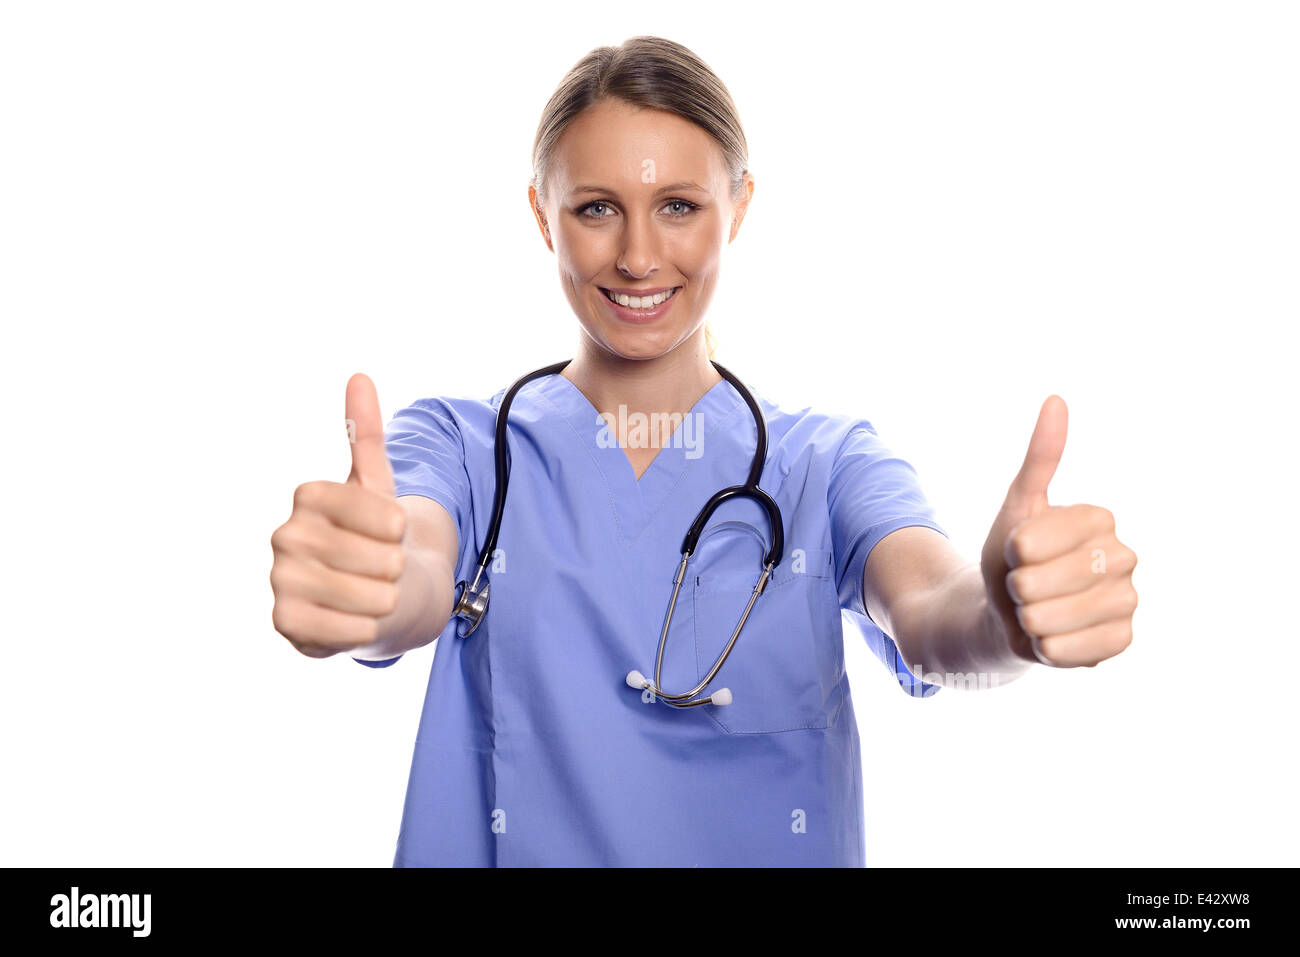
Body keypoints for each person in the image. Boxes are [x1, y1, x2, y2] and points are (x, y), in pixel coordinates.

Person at [269, 36, 1139, 867]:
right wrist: (371, 589)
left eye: (679, 206)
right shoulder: (464, 448)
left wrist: (1004, 616)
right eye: (596, 208)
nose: (639, 257)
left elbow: (932, 611)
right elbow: (412, 562)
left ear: (741, 208)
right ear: (543, 215)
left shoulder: (823, 463)